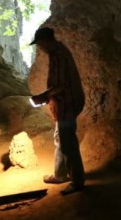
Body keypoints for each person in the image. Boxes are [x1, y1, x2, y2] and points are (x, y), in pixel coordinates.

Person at [29, 26, 86, 195]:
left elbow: (62, 85)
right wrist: (47, 97)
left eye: (40, 44)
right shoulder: (57, 53)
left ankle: (78, 181)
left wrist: (43, 96)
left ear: (47, 41)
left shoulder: (59, 55)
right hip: (62, 104)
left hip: (67, 103)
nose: (40, 48)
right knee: (60, 138)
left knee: (68, 143)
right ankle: (60, 174)